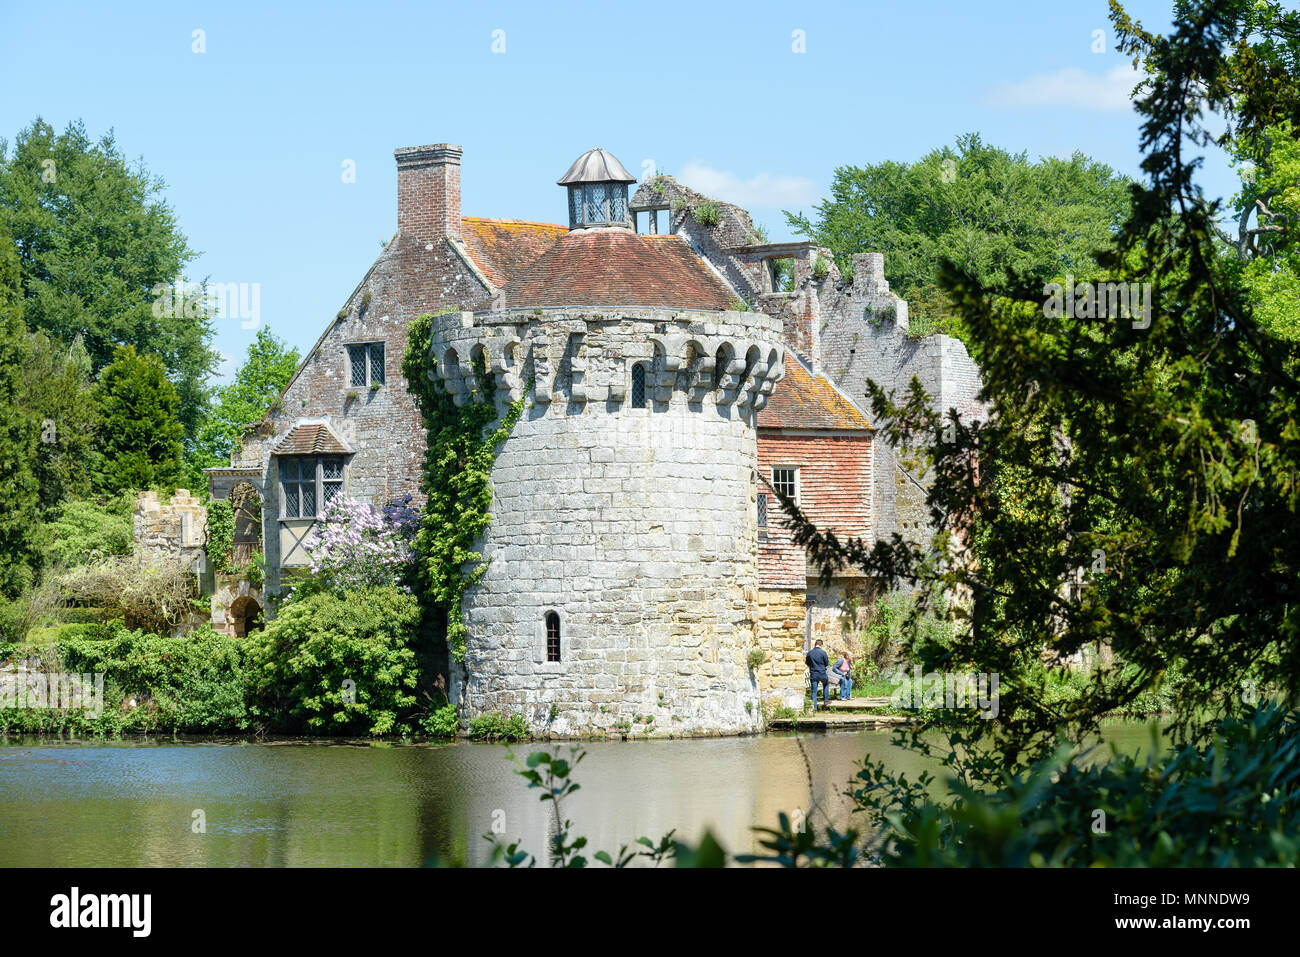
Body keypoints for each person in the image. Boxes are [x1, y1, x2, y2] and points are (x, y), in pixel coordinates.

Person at [805, 639, 830, 711]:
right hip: (822, 672)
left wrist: (812, 666)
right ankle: (825, 701)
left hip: (813, 673)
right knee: (826, 684)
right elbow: (826, 663)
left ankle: (814, 708)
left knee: (814, 691)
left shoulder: (809, 653)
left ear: (815, 644)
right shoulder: (823, 653)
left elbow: (807, 663)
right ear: (821, 645)